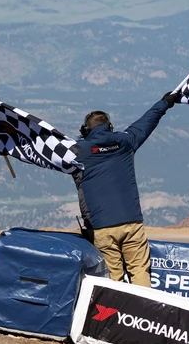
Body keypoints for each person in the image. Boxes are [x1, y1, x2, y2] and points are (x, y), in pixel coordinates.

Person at [72, 92, 181, 286]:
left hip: (101, 227)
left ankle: (114, 316)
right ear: (110, 127)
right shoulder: (125, 141)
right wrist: (165, 102)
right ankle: (145, 313)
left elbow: (45, 149)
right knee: (140, 272)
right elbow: (147, 121)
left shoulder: (78, 151)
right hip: (132, 222)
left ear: (85, 130)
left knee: (113, 280)